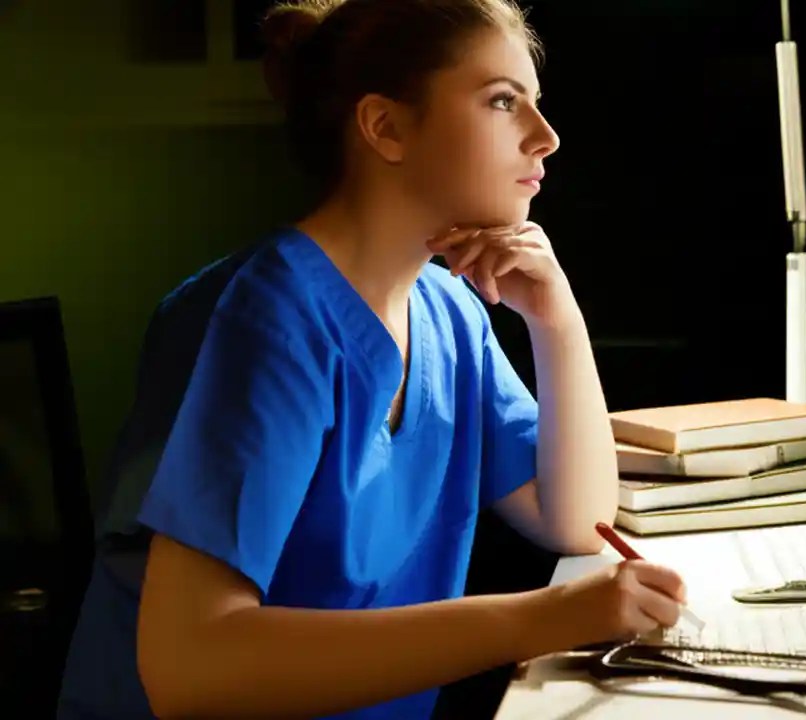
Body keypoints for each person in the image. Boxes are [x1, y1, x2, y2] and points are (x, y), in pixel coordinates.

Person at [57, 1, 689, 717]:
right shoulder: (265, 320)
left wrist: (557, 320)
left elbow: (576, 517)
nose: (546, 137)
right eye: (502, 101)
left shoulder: (447, 312)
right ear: (385, 127)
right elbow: (188, 667)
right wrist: (543, 619)